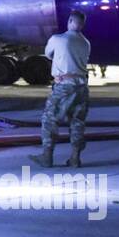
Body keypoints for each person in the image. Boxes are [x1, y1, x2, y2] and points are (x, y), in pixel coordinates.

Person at [31, 9, 90, 168]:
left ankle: (47, 156)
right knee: (77, 121)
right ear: (82, 24)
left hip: (64, 86)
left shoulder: (58, 39)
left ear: (69, 21)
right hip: (82, 87)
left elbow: (49, 54)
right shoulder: (86, 43)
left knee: (49, 119)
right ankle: (75, 158)